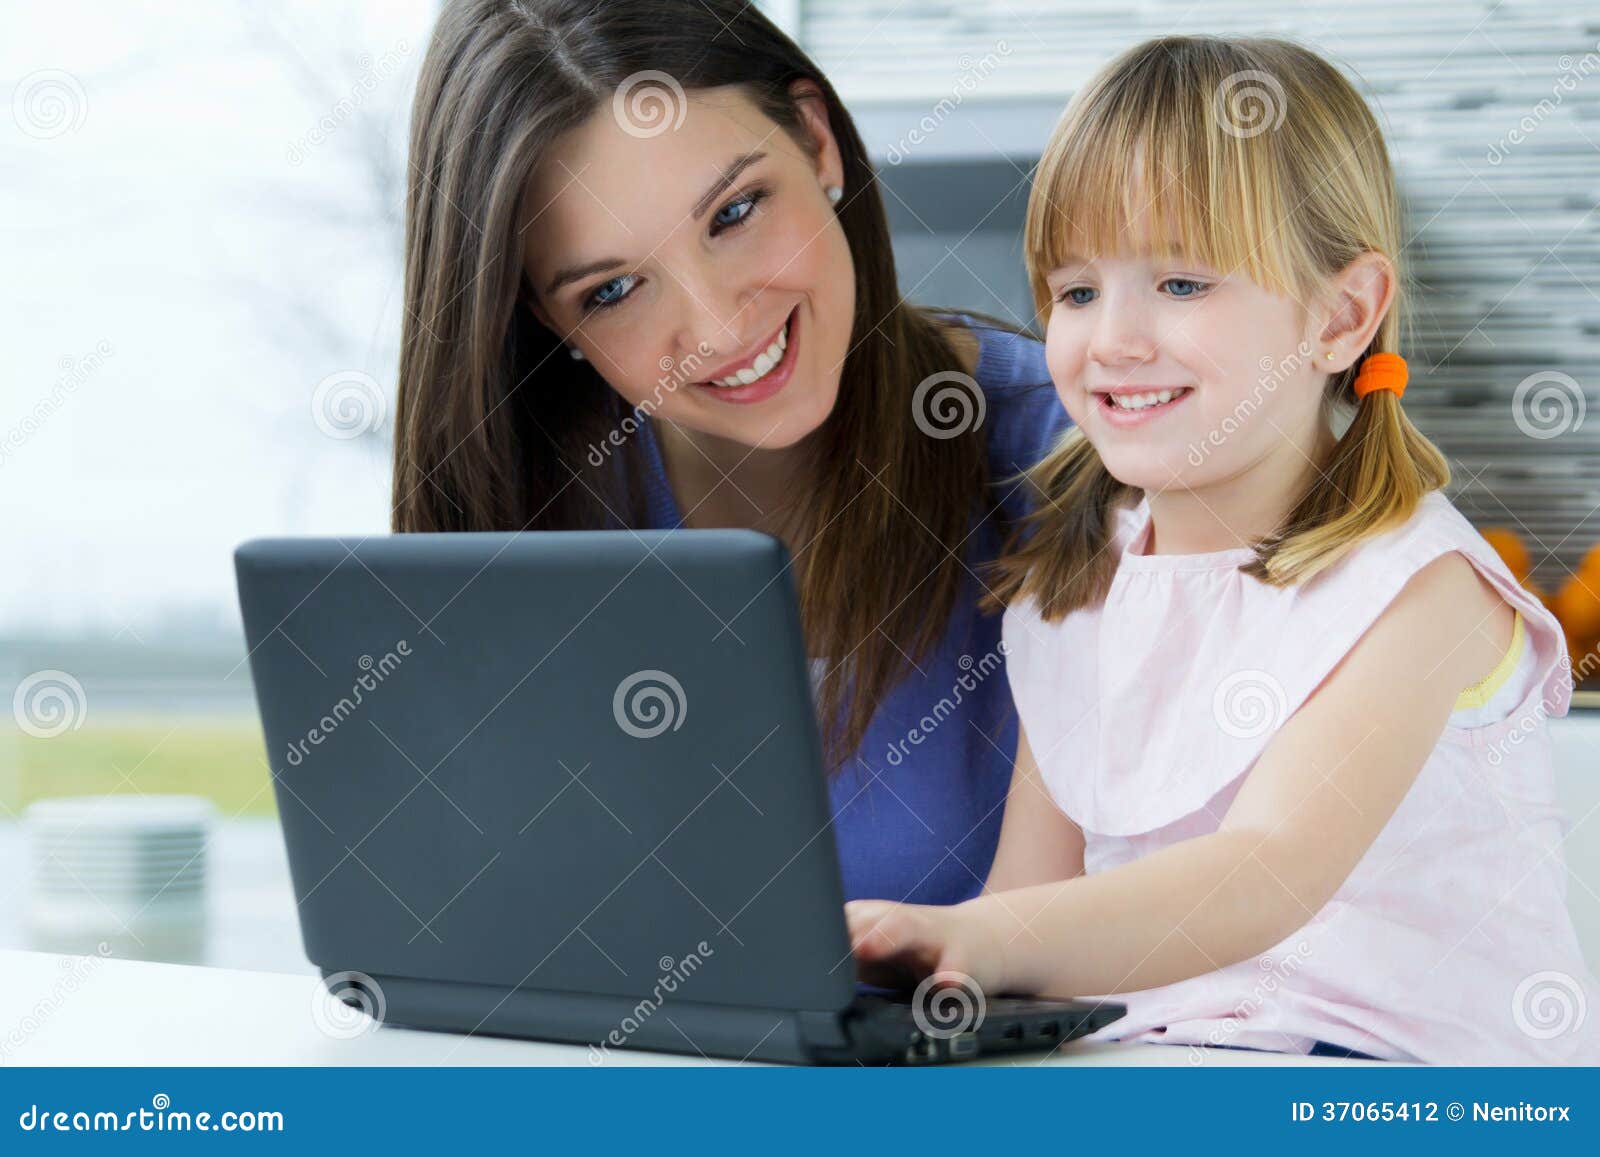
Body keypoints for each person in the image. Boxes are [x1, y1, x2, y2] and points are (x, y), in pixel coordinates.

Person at [846, 35, 1600, 1064]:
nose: (1110, 337)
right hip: (1173, 1062)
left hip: (1418, 1084)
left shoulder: (1421, 590)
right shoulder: (1074, 587)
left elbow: (1270, 868)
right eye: (1075, 290)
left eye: (1182, 284)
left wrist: (980, 937)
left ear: (1340, 317)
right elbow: (1030, 898)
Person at [391, 0, 1070, 903]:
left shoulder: (1078, 459)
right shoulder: (523, 510)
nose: (715, 330)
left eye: (735, 210)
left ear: (817, 140)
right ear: (538, 318)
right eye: (615, 288)